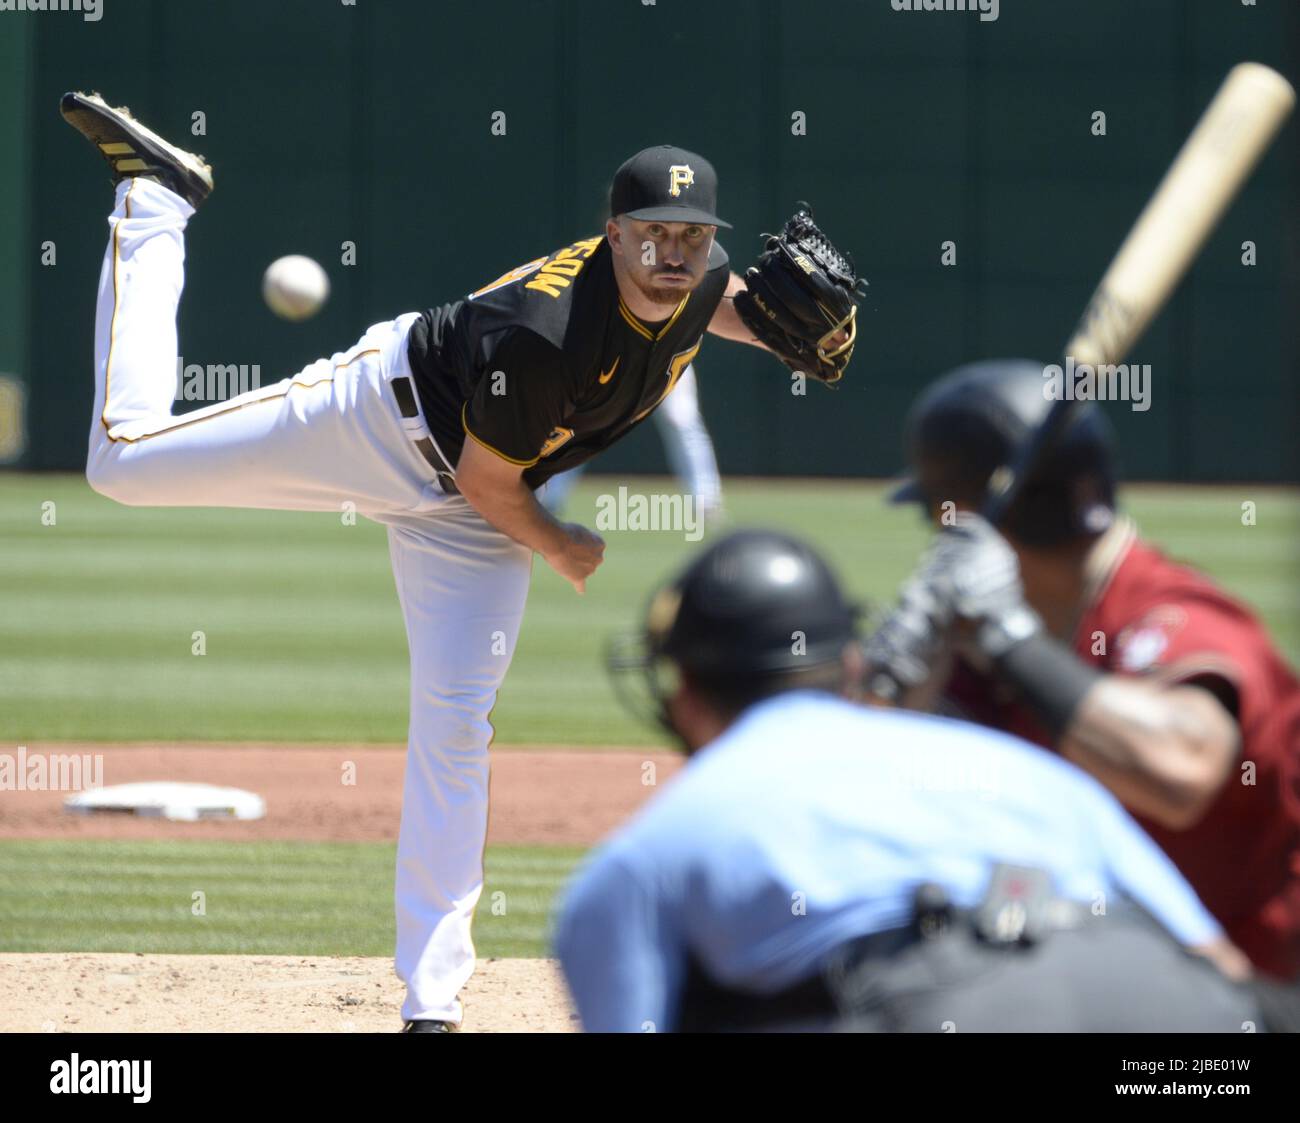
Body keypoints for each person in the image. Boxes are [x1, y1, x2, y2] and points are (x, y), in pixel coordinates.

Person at [59, 91, 860, 1031]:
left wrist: (778, 330)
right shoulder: (549, 332)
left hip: (474, 505)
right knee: (123, 462)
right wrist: (562, 544)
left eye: (692, 233)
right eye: (654, 233)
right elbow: (490, 483)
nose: (674, 252)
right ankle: (157, 200)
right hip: (379, 424)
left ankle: (430, 1000)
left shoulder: (697, 279)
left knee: (455, 724)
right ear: (614, 234)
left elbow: (716, 302)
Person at [554, 529, 1260, 1032]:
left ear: (684, 698)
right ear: (851, 665)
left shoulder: (650, 851)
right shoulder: (1028, 773)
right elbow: (1217, 963)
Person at [865, 358, 1300, 984]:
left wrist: (1009, 637)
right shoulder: (992, 641)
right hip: (1116, 988)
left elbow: (1180, 771)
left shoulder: (1172, 614)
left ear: (960, 515)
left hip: (1257, 999)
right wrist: (899, 679)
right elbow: (869, 792)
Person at [540, 362, 725, 525]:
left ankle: (705, 499)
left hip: (669, 355)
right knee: (586, 422)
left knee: (681, 420)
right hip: (622, 354)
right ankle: (550, 497)